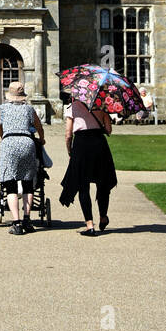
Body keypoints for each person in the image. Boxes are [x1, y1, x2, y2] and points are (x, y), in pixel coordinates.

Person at [58, 97, 118, 236]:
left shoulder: (72, 107)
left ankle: (89, 225)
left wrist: (70, 151)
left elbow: (68, 134)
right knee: (102, 182)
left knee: (83, 186)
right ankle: (103, 216)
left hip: (81, 145)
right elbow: (108, 130)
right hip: (99, 144)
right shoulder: (102, 106)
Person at [0, 81, 46, 236]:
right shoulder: (29, 109)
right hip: (27, 143)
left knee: (10, 185)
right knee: (27, 183)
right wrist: (41, 139)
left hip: (9, 143)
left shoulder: (3, 108)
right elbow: (39, 126)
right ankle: (26, 219)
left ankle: (16, 223)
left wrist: (3, 136)